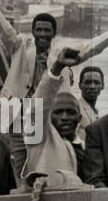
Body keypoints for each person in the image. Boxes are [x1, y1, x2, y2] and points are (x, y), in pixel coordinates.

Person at [21, 47, 89, 189]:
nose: (64, 117)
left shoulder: (84, 145)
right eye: (58, 112)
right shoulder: (39, 139)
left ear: (79, 117)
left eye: (70, 112)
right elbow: (37, 108)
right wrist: (57, 67)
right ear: (49, 115)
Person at [76, 65, 104, 132]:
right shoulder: (75, 109)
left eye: (96, 82)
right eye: (87, 82)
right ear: (80, 85)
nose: (92, 86)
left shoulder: (95, 112)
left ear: (102, 86)